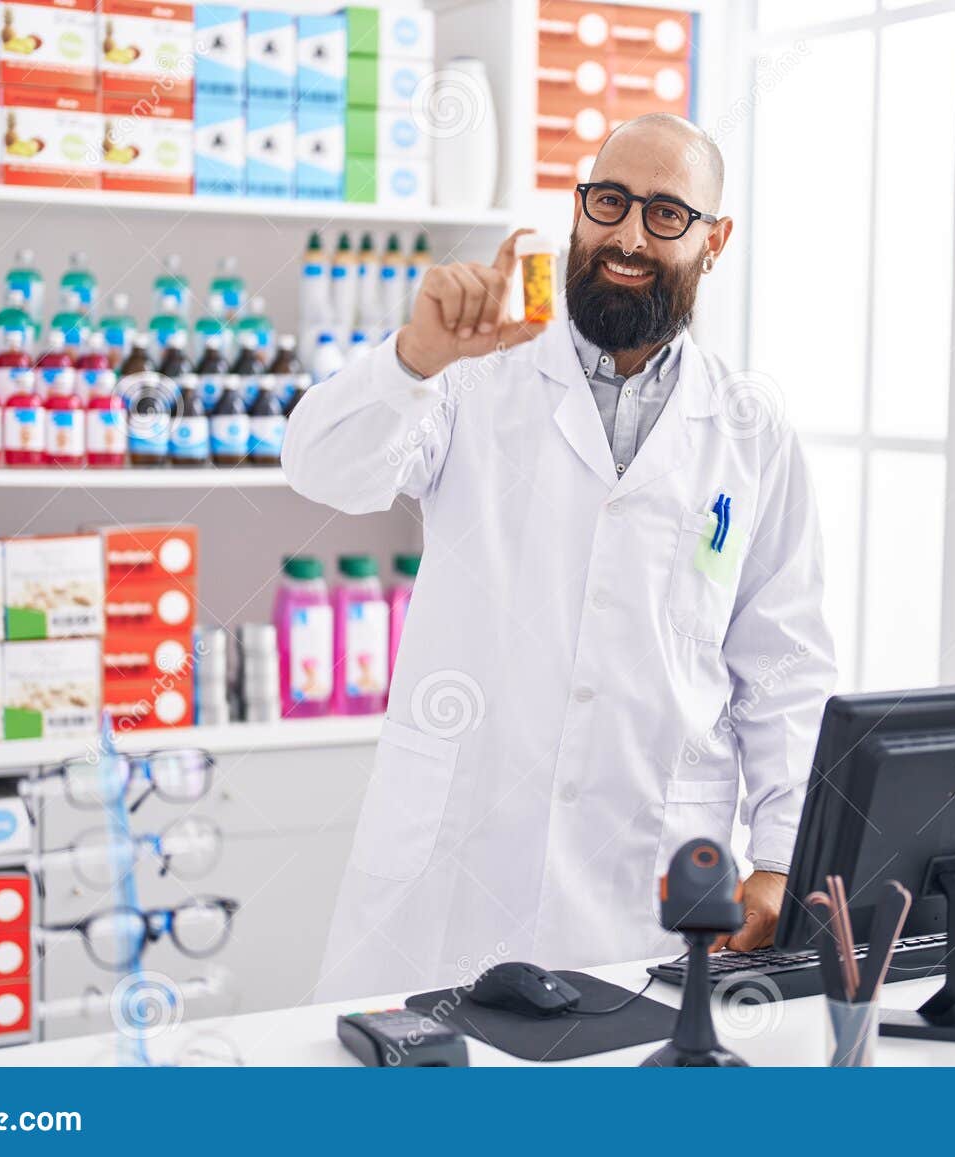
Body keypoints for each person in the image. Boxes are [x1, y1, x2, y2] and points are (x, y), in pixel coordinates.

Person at [284, 113, 835, 1000]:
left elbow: (783, 665)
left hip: (647, 876)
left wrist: (779, 856)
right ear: (578, 209)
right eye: (608, 202)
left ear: (715, 239)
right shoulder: (473, 374)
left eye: (665, 214)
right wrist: (415, 357)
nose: (625, 235)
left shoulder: (750, 427)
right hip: (454, 872)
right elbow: (321, 467)